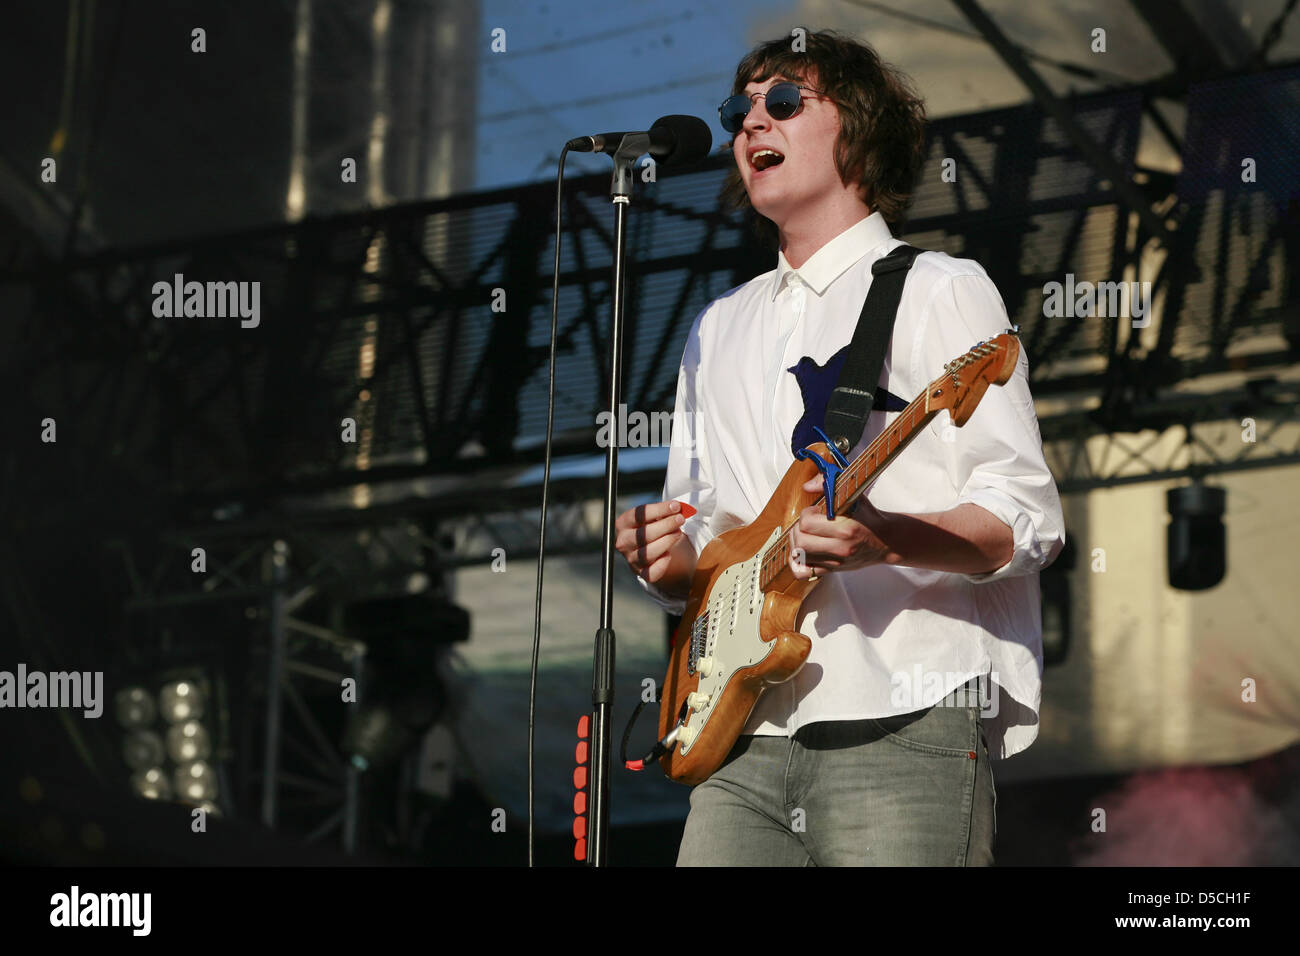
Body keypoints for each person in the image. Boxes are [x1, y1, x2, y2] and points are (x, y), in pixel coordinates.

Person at [614, 29, 1065, 866]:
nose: (751, 123)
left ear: (856, 131)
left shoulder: (940, 290)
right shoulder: (718, 325)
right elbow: (706, 543)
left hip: (905, 708)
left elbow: (1024, 518)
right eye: (738, 109)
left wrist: (886, 539)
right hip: (739, 732)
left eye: (783, 100)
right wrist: (667, 563)